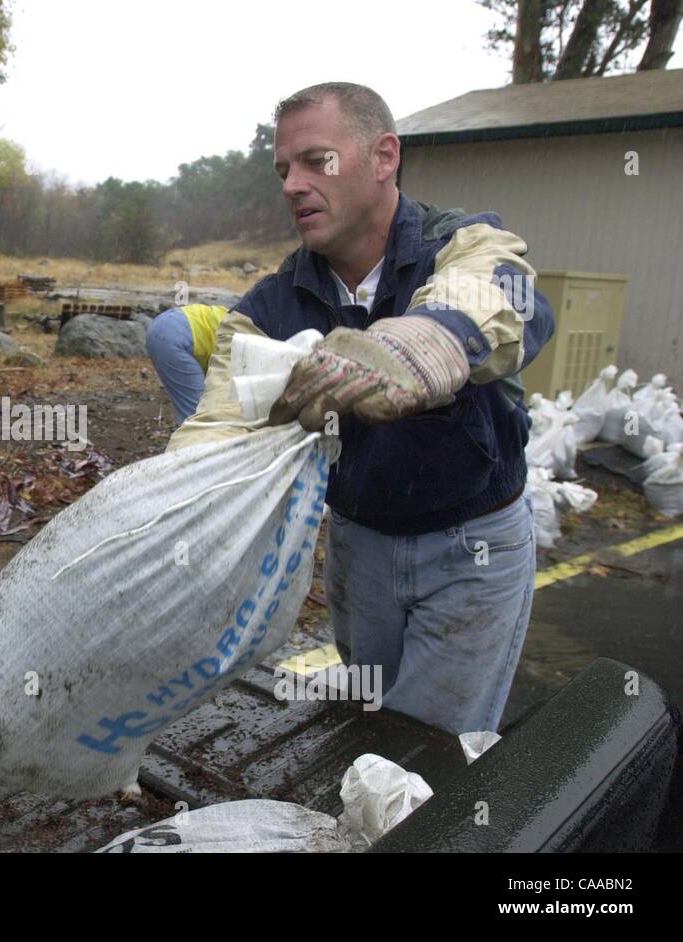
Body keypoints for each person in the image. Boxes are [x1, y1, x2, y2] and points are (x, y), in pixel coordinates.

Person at [170, 82, 555, 735]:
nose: (292, 185)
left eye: (315, 161)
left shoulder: (461, 243)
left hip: (471, 549)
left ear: (384, 157)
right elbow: (216, 428)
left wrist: (423, 345)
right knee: (369, 725)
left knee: (434, 747)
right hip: (359, 548)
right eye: (283, 169)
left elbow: (508, 295)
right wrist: (159, 519)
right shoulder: (269, 307)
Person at [146, 303, 230, 423]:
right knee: (200, 417)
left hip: (169, 323)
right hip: (176, 337)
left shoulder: (242, 319)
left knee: (198, 414)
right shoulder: (252, 343)